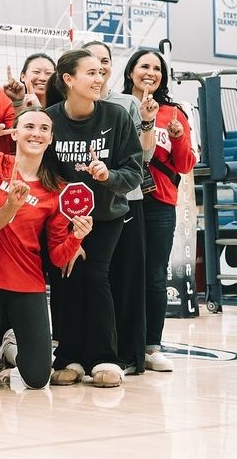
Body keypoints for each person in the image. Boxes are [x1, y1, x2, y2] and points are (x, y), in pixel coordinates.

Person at [0, 109, 93, 390]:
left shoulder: (57, 189)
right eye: (29, 126)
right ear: (15, 134)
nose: (36, 133)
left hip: (27, 284)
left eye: (44, 129)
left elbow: (57, 256)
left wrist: (76, 237)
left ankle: (10, 345)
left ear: (51, 138)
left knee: (37, 379)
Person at [45, 49, 142, 388]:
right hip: (62, 220)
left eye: (101, 72)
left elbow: (133, 172)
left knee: (96, 277)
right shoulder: (50, 119)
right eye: (90, 73)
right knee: (67, 277)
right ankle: (69, 356)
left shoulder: (116, 117)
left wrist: (107, 176)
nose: (99, 78)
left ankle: (105, 358)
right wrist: (67, 223)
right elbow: (41, 174)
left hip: (105, 217)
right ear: (68, 79)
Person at [123, 50, 197, 373]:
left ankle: (153, 345)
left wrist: (179, 139)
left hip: (159, 203)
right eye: (144, 66)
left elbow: (184, 164)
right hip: (123, 198)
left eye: (157, 68)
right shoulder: (116, 105)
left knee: (154, 275)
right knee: (121, 272)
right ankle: (120, 345)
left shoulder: (174, 113)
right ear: (131, 72)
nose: (150, 72)